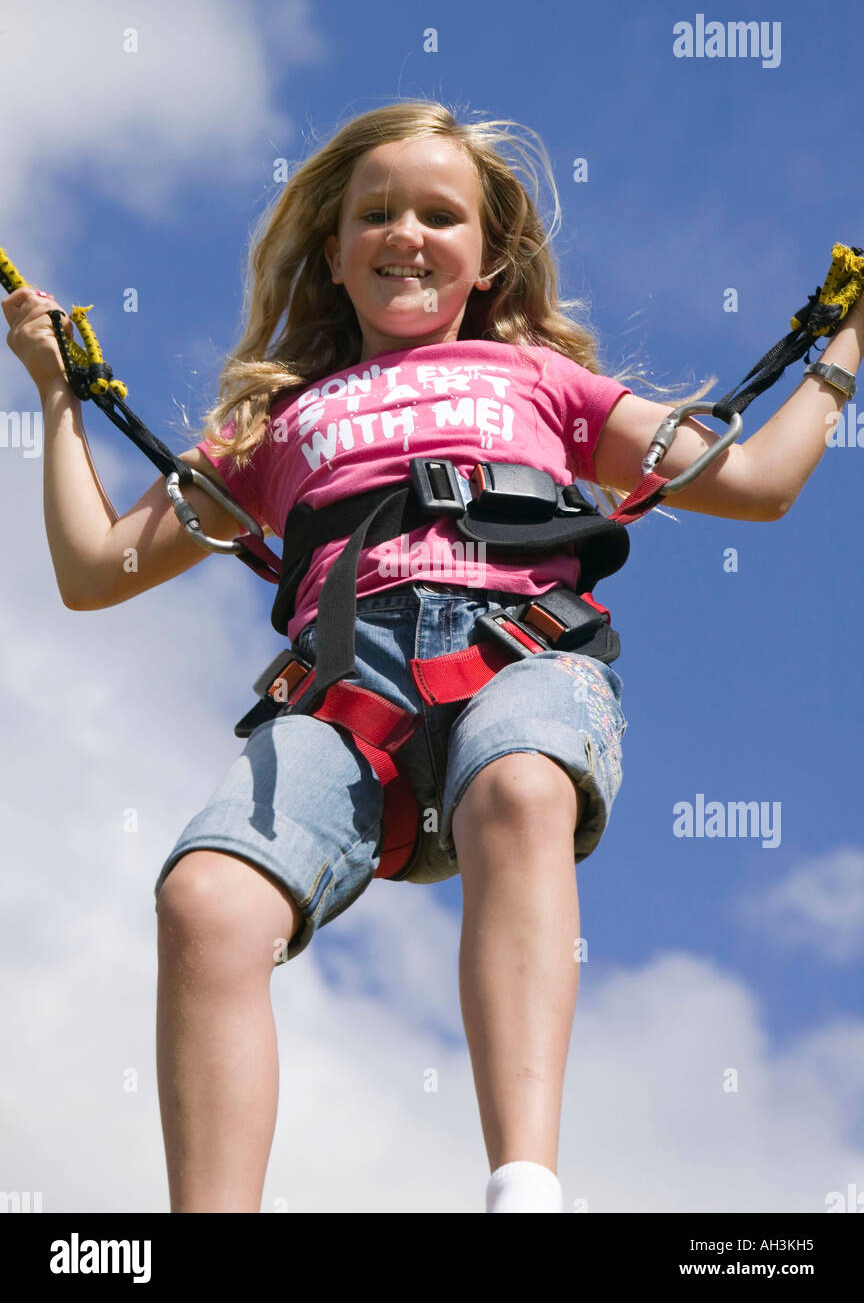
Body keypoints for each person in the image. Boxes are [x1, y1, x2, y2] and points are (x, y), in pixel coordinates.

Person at [4, 100, 861, 1215]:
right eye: (377, 214)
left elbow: (758, 484)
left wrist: (844, 344)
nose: (406, 233)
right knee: (204, 899)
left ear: (491, 258)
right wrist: (57, 390)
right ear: (335, 253)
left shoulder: (544, 384)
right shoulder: (277, 424)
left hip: (518, 660)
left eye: (439, 215)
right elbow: (96, 569)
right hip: (344, 700)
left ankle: (524, 1182)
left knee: (516, 785)